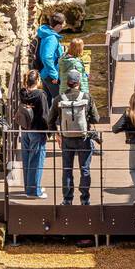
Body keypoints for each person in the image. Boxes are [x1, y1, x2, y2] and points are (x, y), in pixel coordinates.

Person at [47, 72, 101, 206]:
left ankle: (67, 199)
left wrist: (57, 134)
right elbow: (96, 119)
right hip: (84, 138)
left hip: (66, 138)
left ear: (67, 83)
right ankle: (85, 199)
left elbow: (50, 120)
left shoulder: (59, 99)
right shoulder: (87, 97)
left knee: (67, 169)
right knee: (85, 169)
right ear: (79, 83)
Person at [18, 69, 50, 198]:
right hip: (37, 130)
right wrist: (49, 131)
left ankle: (30, 187)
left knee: (27, 159)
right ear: (37, 80)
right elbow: (44, 115)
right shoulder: (40, 95)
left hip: (25, 130)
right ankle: (34, 191)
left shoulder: (23, 93)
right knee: (37, 160)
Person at [35, 12, 65, 104]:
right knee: (60, 101)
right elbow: (47, 57)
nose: (65, 25)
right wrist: (54, 75)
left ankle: (46, 118)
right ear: (59, 26)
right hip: (50, 75)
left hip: (45, 72)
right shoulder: (51, 38)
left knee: (47, 101)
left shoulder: (47, 32)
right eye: (64, 23)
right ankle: (59, 118)